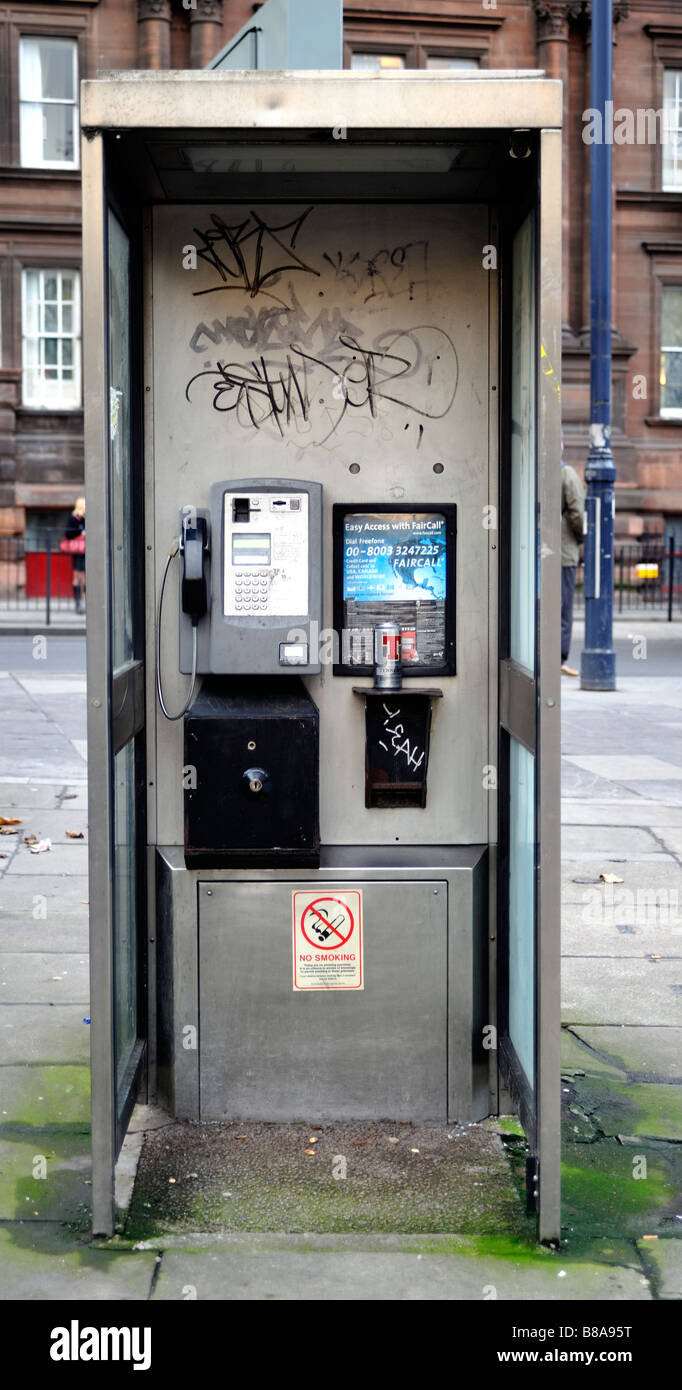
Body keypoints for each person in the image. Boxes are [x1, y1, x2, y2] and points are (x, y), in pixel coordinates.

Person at [561, 457, 585, 676]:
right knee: (563, 609)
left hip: (537, 551)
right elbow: (578, 513)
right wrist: (580, 538)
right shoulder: (567, 473)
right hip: (563, 552)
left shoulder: (534, 470)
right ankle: (559, 658)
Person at [64, 497, 86, 614]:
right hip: (78, 551)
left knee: (85, 575)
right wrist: (80, 531)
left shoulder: (86, 518)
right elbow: (68, 534)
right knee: (78, 575)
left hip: (86, 551)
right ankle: (78, 602)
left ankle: (85, 599)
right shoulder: (74, 519)